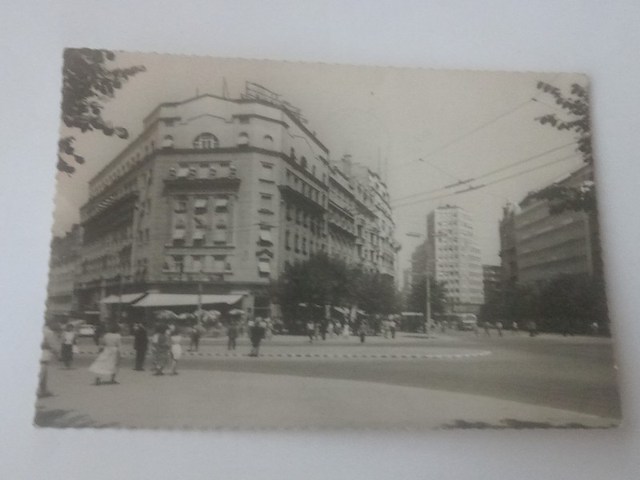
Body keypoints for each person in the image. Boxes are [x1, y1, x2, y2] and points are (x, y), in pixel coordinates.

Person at [37, 322, 59, 398]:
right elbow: (52, 344)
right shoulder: (48, 332)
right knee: (42, 374)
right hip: (43, 355)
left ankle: (43, 390)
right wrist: (57, 353)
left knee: (42, 374)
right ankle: (40, 391)